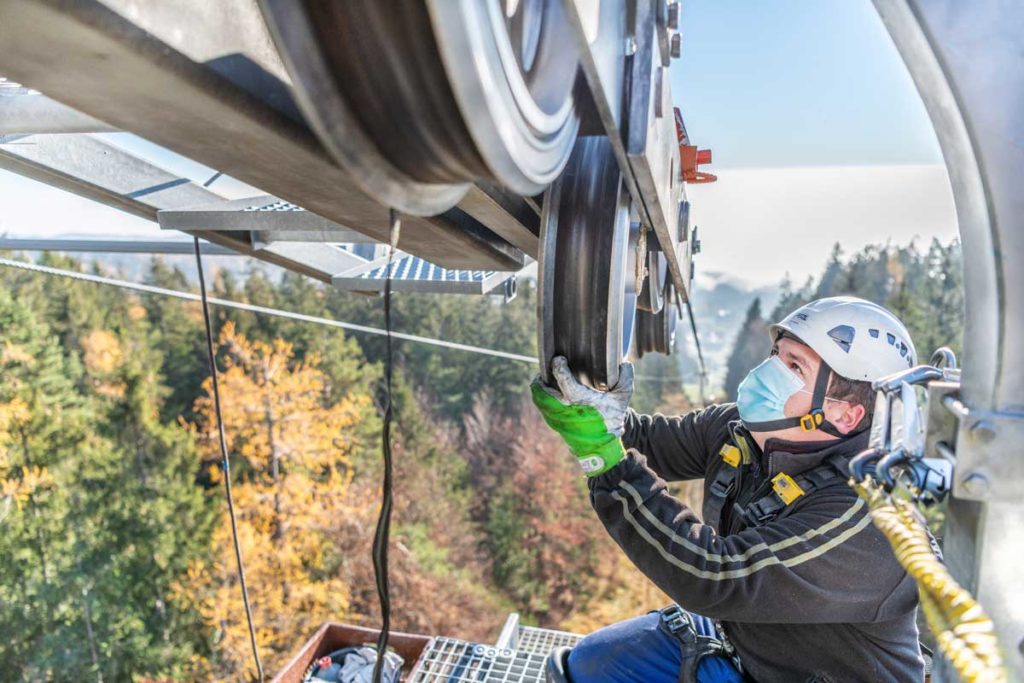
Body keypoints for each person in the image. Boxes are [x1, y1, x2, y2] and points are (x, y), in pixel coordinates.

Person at [531, 297, 926, 683]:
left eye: (794, 367)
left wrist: (605, 459)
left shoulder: (867, 519)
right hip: (749, 642)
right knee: (589, 666)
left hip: (800, 667)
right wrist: (600, 415)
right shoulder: (743, 433)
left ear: (844, 414)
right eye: (777, 354)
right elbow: (646, 442)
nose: (769, 370)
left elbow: (715, 576)